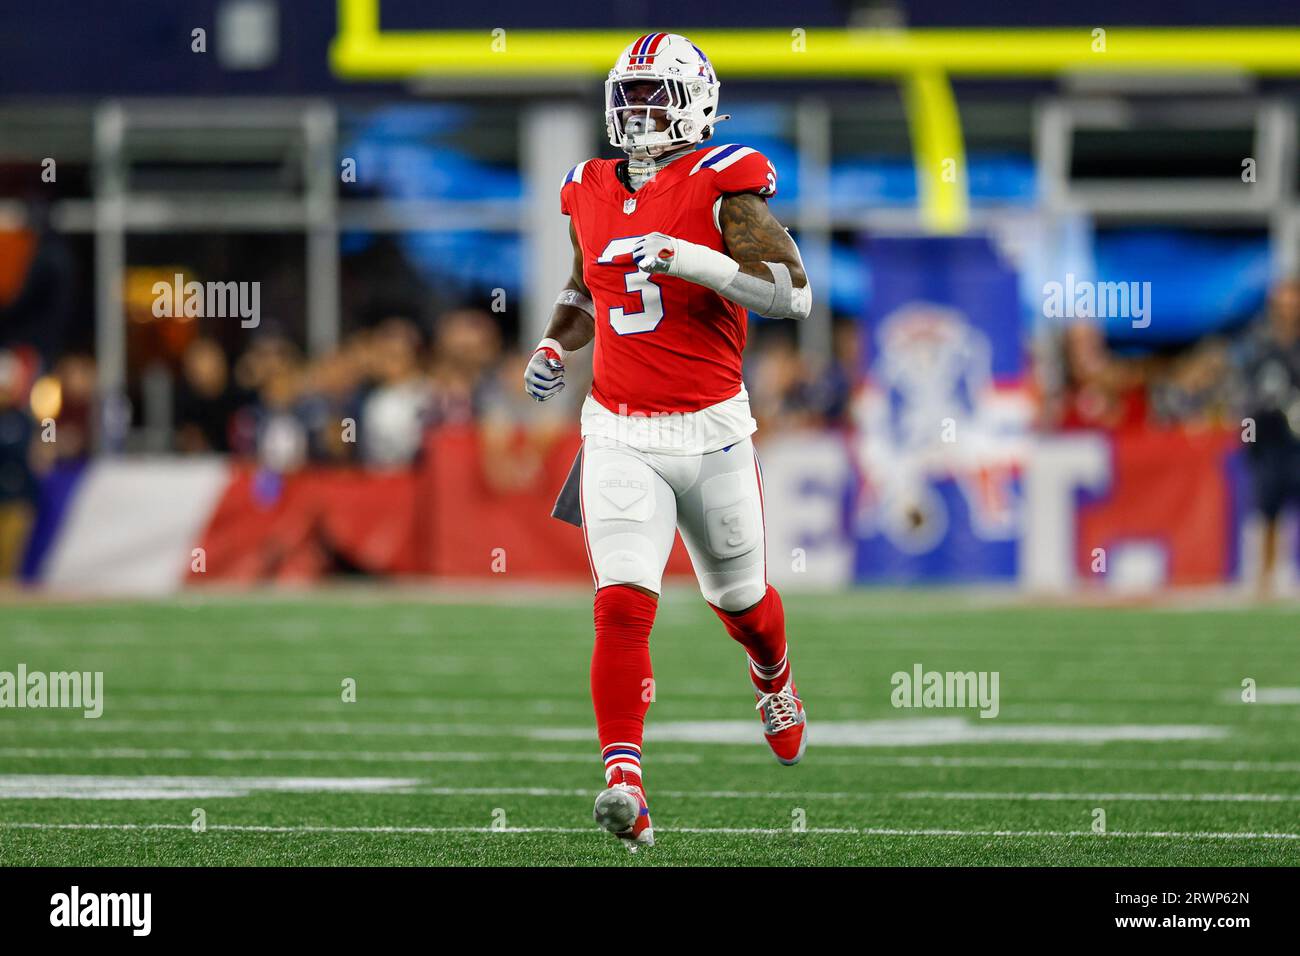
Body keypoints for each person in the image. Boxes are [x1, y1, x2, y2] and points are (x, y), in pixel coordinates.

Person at [522, 33, 812, 851]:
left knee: (744, 605)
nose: (639, 111)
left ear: (697, 102)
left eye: (656, 94)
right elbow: (587, 286)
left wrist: (699, 261)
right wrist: (552, 342)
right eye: (630, 95)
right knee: (620, 602)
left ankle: (773, 679)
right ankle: (625, 783)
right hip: (619, 429)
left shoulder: (727, 186)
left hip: (713, 430)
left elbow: (795, 296)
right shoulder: (588, 186)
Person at [1238, 277, 1300, 597]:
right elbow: (1245, 393)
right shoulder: (1260, 342)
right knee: (1268, 510)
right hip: (1269, 441)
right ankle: (1266, 580)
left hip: (1296, 443)